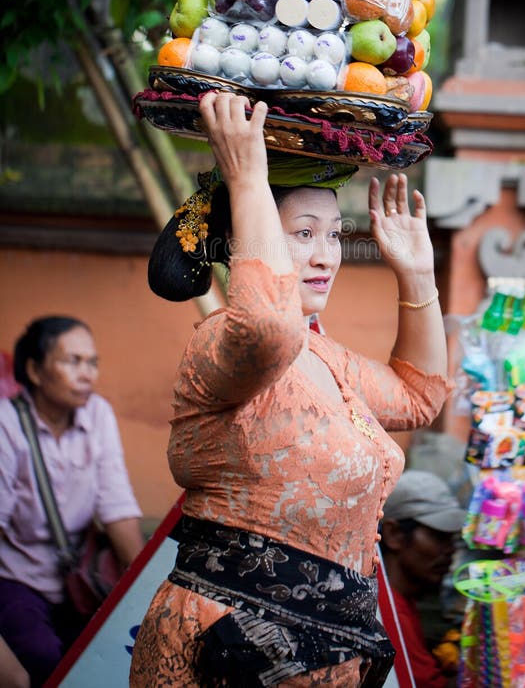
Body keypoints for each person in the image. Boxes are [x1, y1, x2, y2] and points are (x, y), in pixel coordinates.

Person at [131, 92, 451, 687]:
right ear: (248, 238)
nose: (326, 255)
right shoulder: (223, 343)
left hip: (326, 657)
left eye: (334, 234)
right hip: (231, 652)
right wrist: (247, 177)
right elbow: (267, 328)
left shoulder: (323, 356)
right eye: (302, 234)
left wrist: (416, 272)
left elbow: (419, 398)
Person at [0, 316, 145, 687]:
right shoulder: (6, 426)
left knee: (109, 660)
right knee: (46, 663)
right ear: (34, 369)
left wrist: (147, 598)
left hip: (79, 578)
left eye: (92, 362)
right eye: (72, 361)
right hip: (17, 581)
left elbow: (118, 507)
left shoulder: (97, 414)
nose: (87, 374)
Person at [378, 469, 466, 688]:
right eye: (438, 536)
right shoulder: (388, 615)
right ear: (394, 534)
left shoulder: (404, 598)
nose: (450, 550)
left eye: (452, 538)